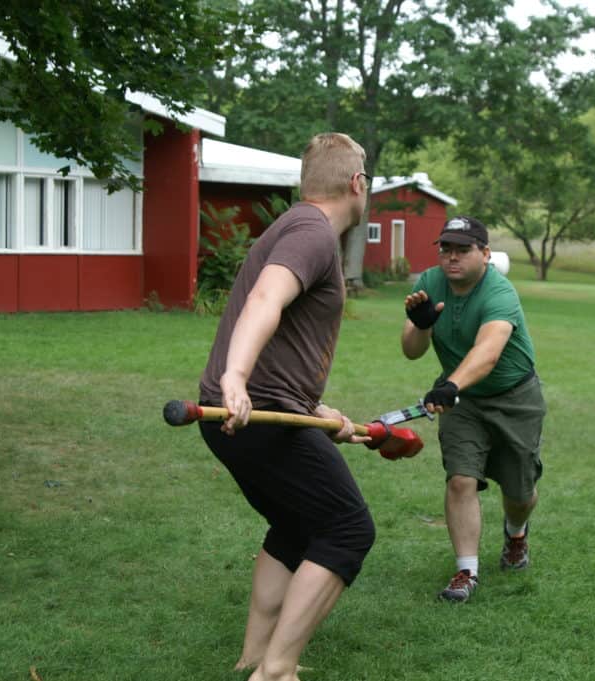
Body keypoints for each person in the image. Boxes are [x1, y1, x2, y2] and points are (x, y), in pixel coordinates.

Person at [197, 132, 375, 680]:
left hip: (255, 412)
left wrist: (317, 413)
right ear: (357, 183)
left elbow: (284, 333)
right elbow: (266, 298)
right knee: (347, 528)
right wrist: (237, 375)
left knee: (295, 528)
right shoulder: (313, 230)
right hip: (250, 410)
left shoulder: (295, 225)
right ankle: (276, 671)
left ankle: (254, 656)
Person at [401, 216, 546, 603]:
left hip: (515, 398)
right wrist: (420, 325)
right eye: (445, 248)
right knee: (461, 479)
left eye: (462, 249)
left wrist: (450, 385)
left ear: (484, 254)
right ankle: (467, 571)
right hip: (462, 403)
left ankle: (516, 532)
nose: (452, 257)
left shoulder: (500, 292)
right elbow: (411, 350)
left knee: (520, 491)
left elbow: (489, 351)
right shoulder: (429, 283)